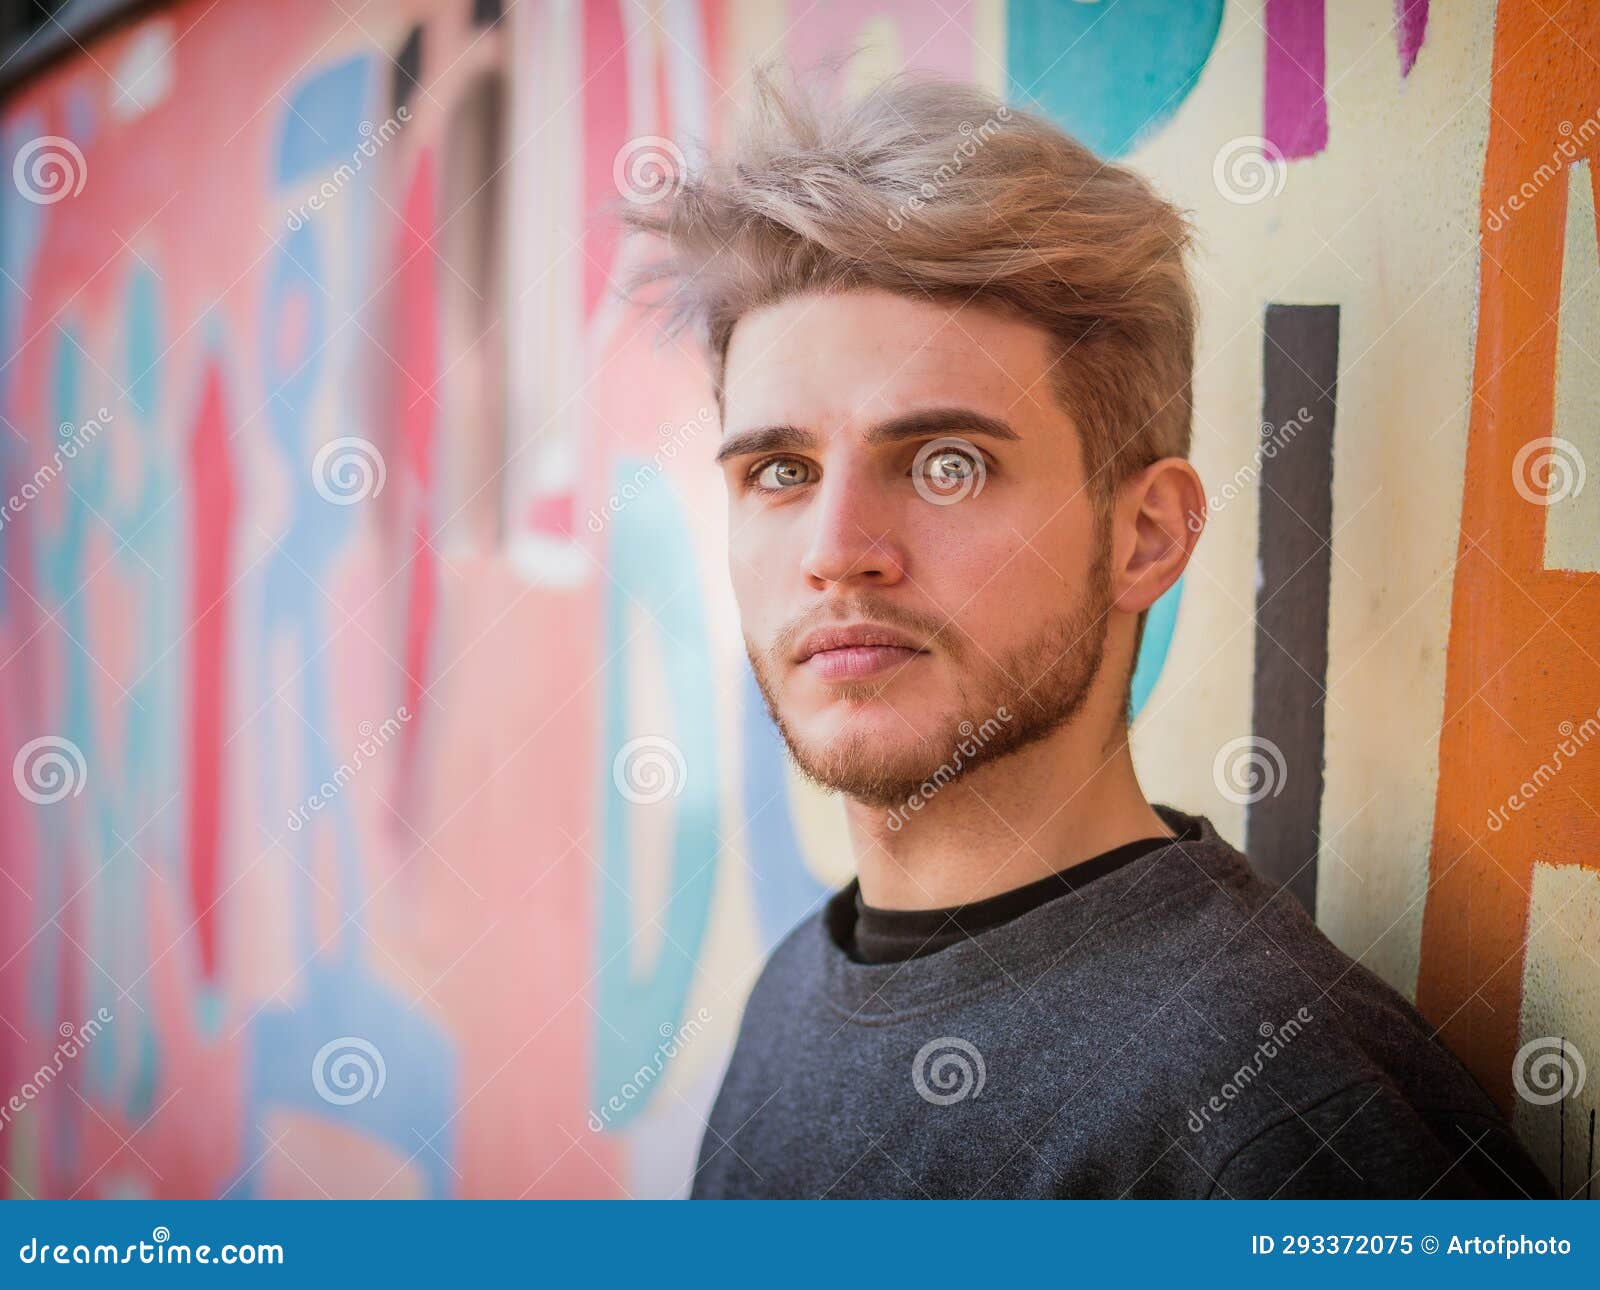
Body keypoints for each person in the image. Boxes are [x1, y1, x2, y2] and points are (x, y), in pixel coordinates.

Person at [620, 66, 1553, 1200]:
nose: (837, 546)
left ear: (1143, 536)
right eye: (779, 470)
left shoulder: (1279, 1103)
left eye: (942, 463)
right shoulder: (792, 999)